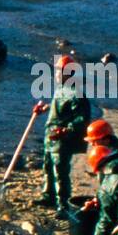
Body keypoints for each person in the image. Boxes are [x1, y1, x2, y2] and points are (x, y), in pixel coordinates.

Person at [36, 55, 90, 215]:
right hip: (50, 134)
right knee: (47, 166)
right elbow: (59, 107)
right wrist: (44, 108)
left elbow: (82, 118)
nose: (57, 73)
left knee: (60, 170)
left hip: (62, 139)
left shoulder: (77, 93)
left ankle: (63, 204)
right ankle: (48, 195)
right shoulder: (61, 88)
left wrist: (66, 130)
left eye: (60, 71)